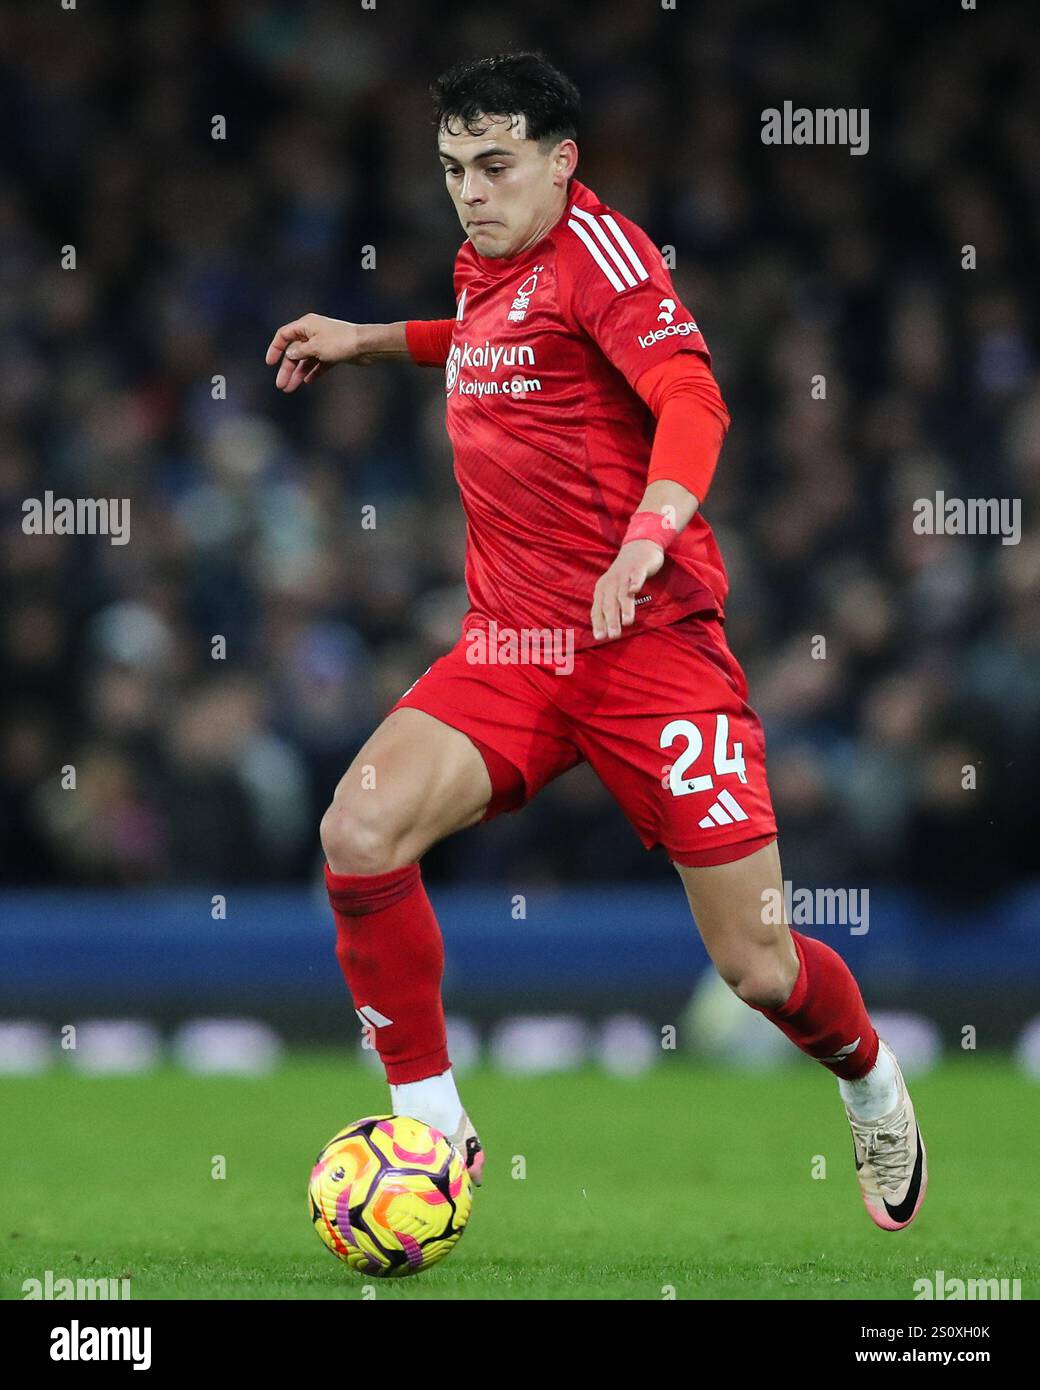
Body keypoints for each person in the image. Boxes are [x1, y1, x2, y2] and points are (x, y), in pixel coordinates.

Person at [266, 51, 926, 1231]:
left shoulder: (603, 258)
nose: (470, 191)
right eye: (453, 169)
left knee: (757, 967)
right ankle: (436, 1124)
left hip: (649, 646)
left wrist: (646, 533)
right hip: (511, 645)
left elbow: (692, 397)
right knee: (358, 829)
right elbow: (493, 343)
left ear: (562, 164)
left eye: (495, 165)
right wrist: (369, 339)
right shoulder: (487, 261)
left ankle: (871, 1079)